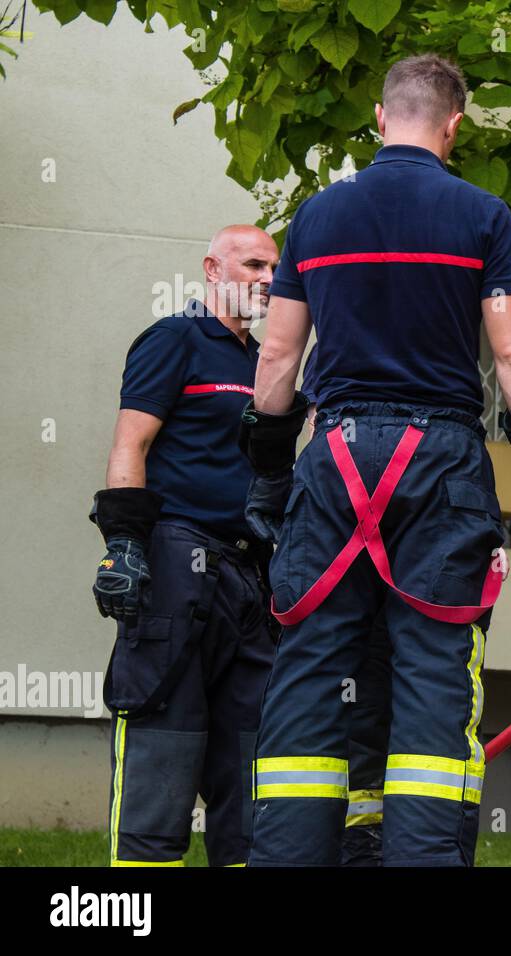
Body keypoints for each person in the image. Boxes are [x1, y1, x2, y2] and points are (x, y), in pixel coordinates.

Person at [240, 53, 511, 867]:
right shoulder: (482, 216)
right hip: (443, 463)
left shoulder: (317, 218)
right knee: (432, 672)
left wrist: (271, 476)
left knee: (310, 669)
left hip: (337, 454)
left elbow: (278, 363)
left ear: (381, 119)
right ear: (453, 127)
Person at [90, 225, 280, 866]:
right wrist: (123, 545)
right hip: (175, 565)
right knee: (162, 753)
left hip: (249, 577)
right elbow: (129, 445)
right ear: (212, 268)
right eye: (253, 263)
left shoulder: (265, 366)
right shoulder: (174, 339)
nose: (268, 278)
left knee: (251, 762)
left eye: (275, 267)